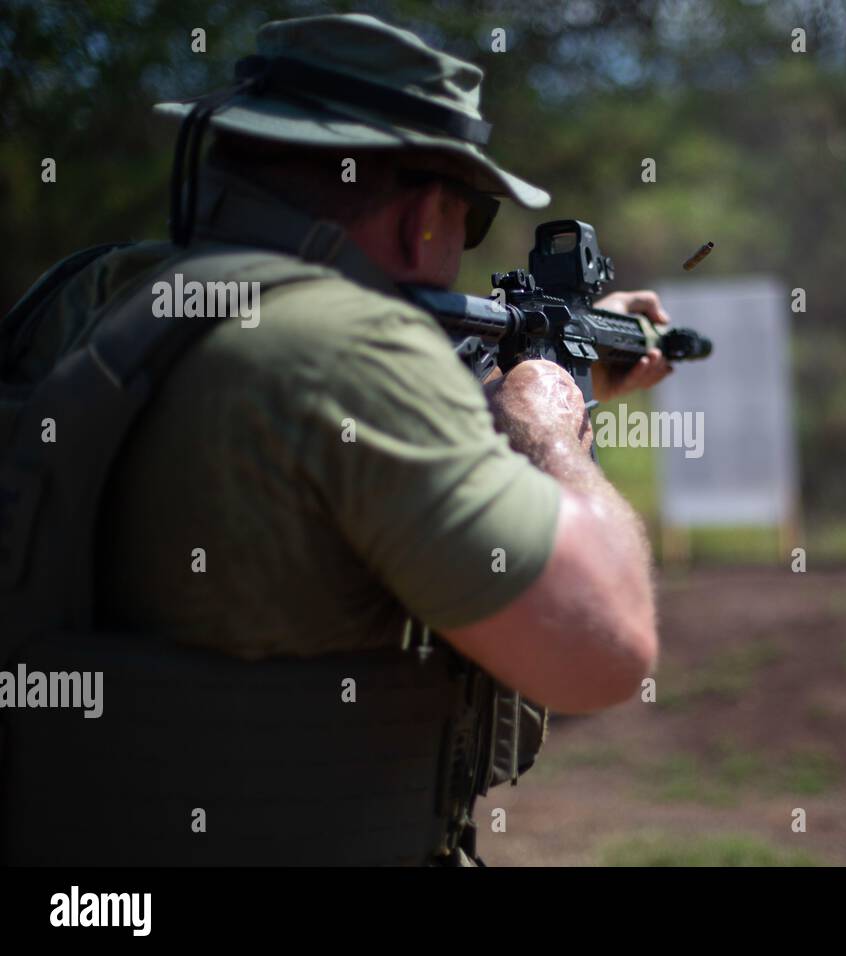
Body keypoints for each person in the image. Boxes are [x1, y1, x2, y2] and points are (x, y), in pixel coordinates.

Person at [0, 12, 666, 865]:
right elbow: (600, 650)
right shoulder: (352, 352)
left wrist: (576, 367)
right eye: (467, 217)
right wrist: (547, 429)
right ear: (428, 210)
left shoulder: (99, 298)